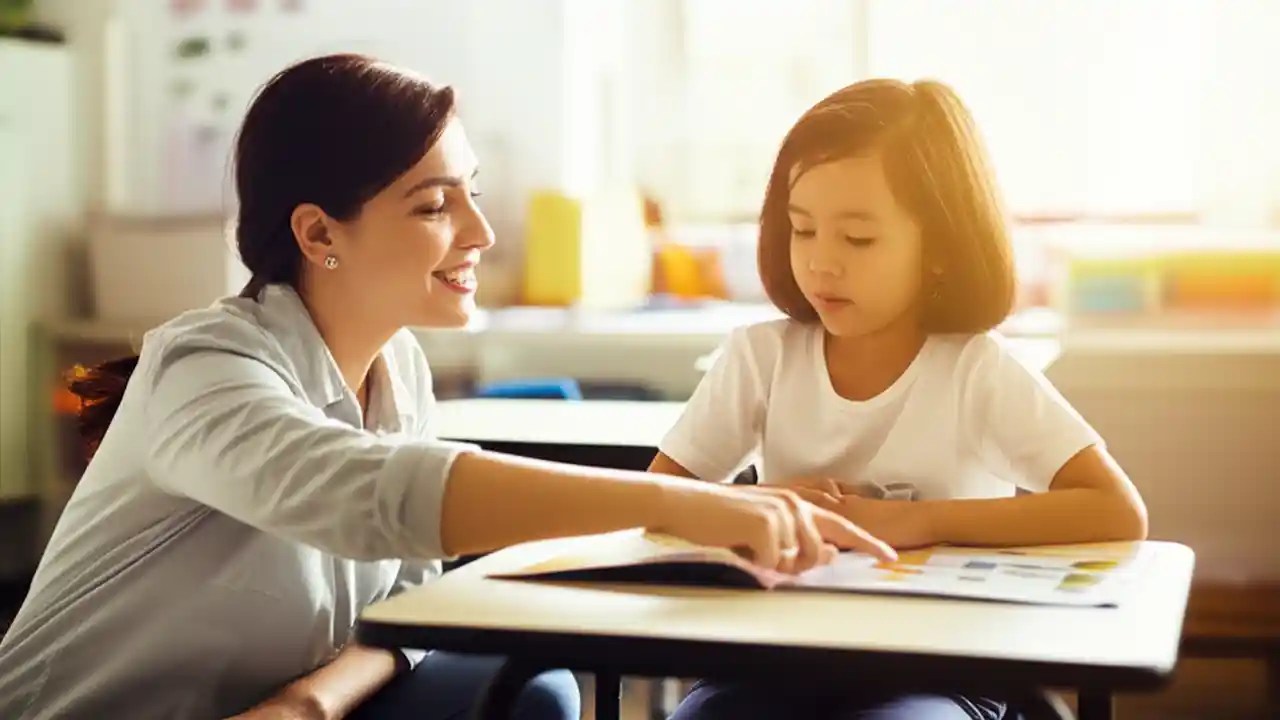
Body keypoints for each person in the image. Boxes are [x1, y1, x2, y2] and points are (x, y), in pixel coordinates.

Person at [0, 55, 894, 720]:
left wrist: (306, 706)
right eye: (435, 206)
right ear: (319, 234)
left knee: (526, 692)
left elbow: (410, 613)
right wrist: (695, 506)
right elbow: (366, 497)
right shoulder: (202, 369)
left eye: (471, 194)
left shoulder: (401, 373)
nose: (480, 231)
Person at [649, 79, 1149, 720]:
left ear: (939, 250)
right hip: (773, 661)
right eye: (803, 231)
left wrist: (922, 521)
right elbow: (657, 507)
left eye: (858, 240)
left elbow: (1115, 510)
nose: (821, 264)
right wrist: (757, 505)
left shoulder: (974, 368)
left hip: (937, 673)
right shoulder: (761, 357)